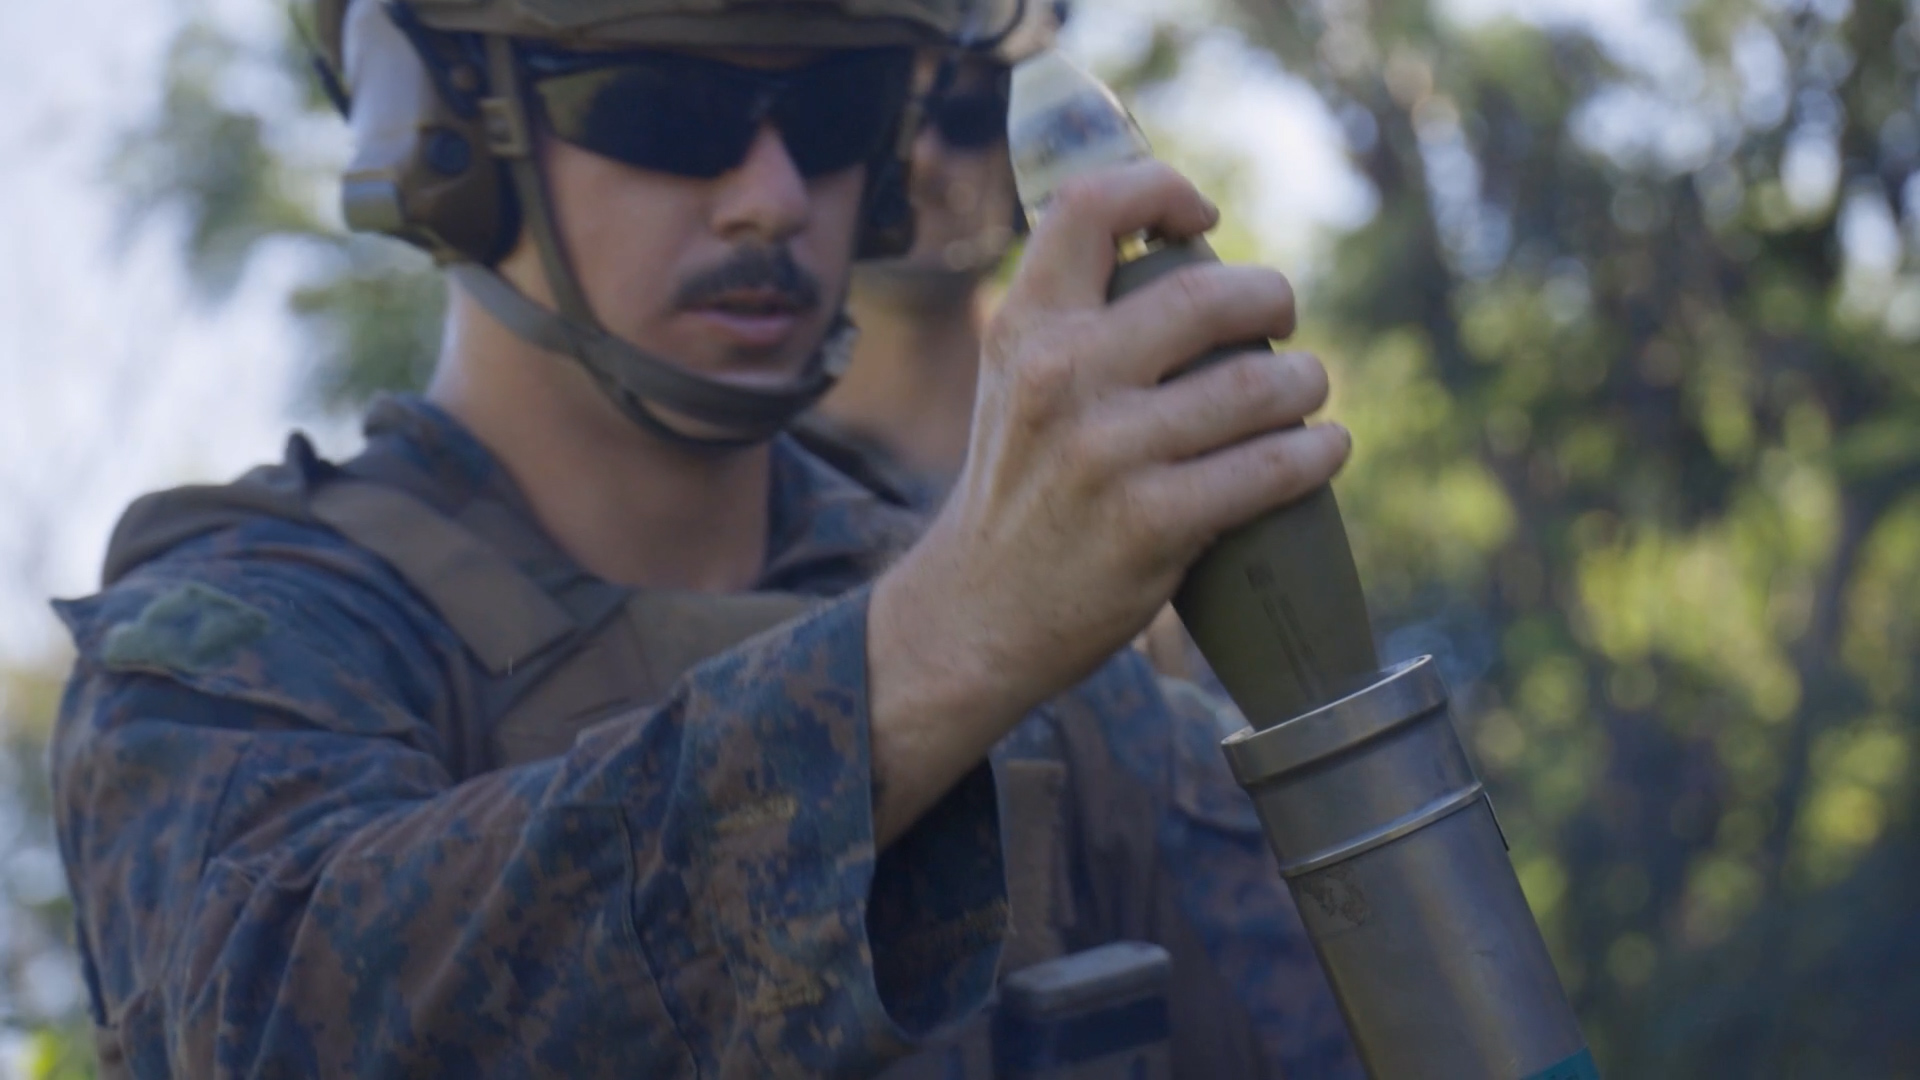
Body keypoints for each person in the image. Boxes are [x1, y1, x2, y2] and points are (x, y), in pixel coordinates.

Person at [50, 0, 1362, 1076]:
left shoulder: (1042, 653)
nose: (773, 199)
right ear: (449, 131)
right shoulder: (259, 636)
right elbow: (270, 1027)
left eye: (834, 111)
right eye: (664, 110)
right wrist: (939, 649)